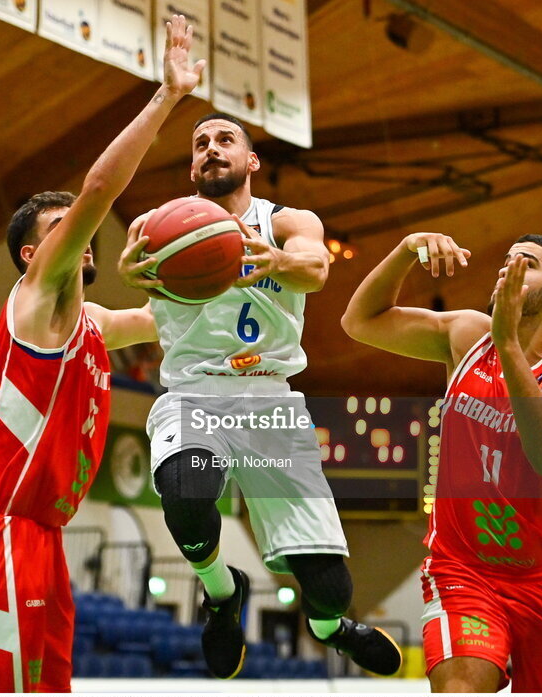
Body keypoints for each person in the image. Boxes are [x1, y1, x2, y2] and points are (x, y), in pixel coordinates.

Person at [0, 16, 203, 694]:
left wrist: (254, 271)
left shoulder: (93, 324)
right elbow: (99, 192)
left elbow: (173, 322)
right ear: (35, 253)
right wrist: (167, 97)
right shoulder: (36, 299)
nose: (79, 232)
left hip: (44, 535)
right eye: (61, 228)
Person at [118, 113, 403, 679]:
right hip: (193, 393)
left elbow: (317, 267)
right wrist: (130, 273)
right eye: (200, 144)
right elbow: (135, 291)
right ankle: (222, 593)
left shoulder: (286, 221)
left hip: (271, 401)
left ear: (251, 161)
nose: (211, 149)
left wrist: (273, 261)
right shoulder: (154, 226)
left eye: (226, 140)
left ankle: (330, 628)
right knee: (186, 490)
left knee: (327, 586)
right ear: (192, 166)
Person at [342, 233, 542, 692]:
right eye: (505, 261)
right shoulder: (467, 335)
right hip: (463, 572)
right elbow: (359, 321)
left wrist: (507, 344)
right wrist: (406, 251)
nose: (506, 270)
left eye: (524, 263)